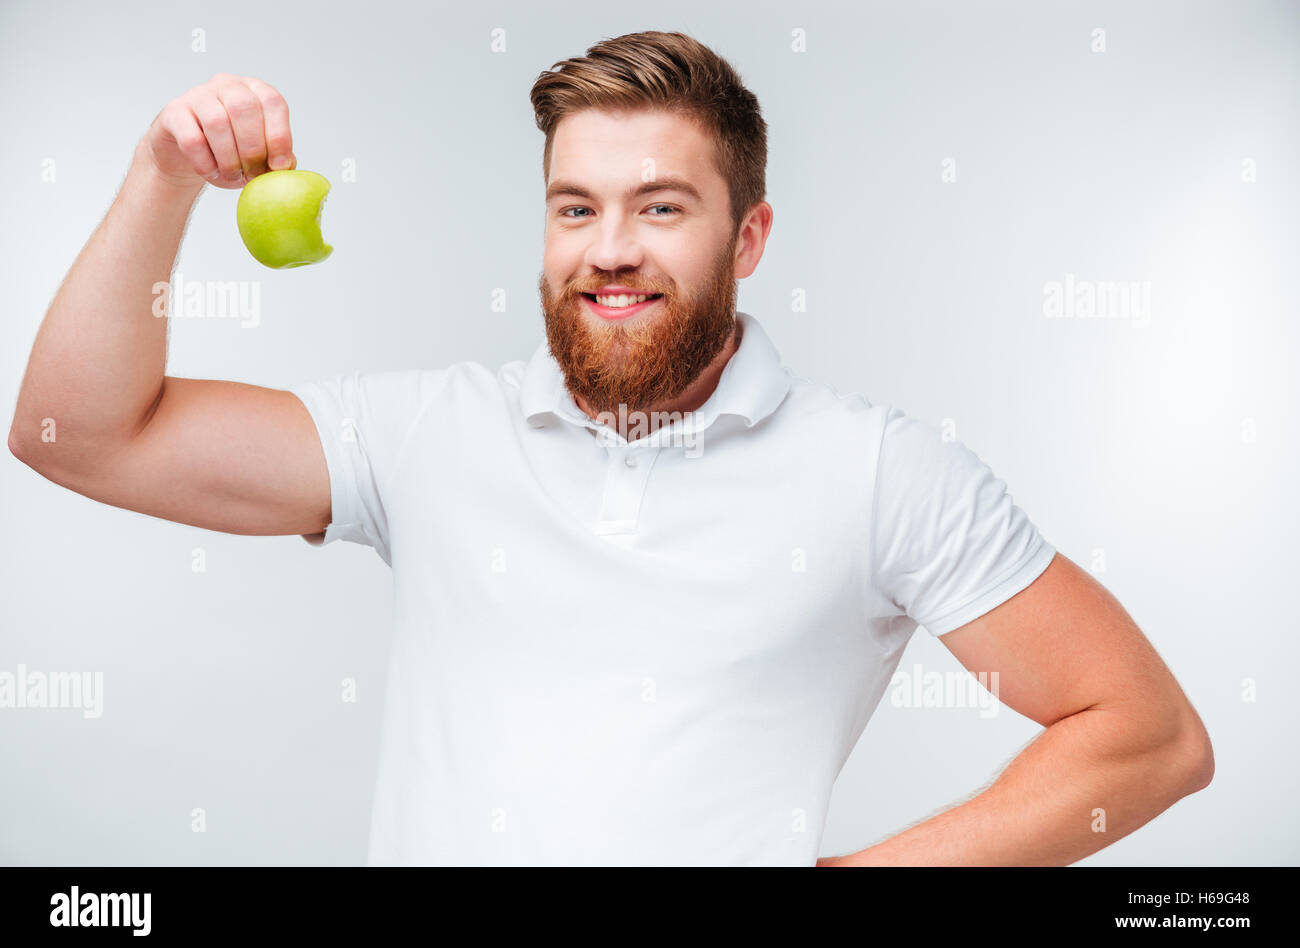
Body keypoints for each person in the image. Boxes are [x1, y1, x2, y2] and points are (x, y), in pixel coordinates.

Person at [8, 31, 1212, 866]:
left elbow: (1147, 734)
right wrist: (163, 180)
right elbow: (80, 435)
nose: (610, 248)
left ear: (748, 239)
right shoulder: (427, 433)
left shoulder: (879, 471)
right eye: (575, 207)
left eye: (661, 206)